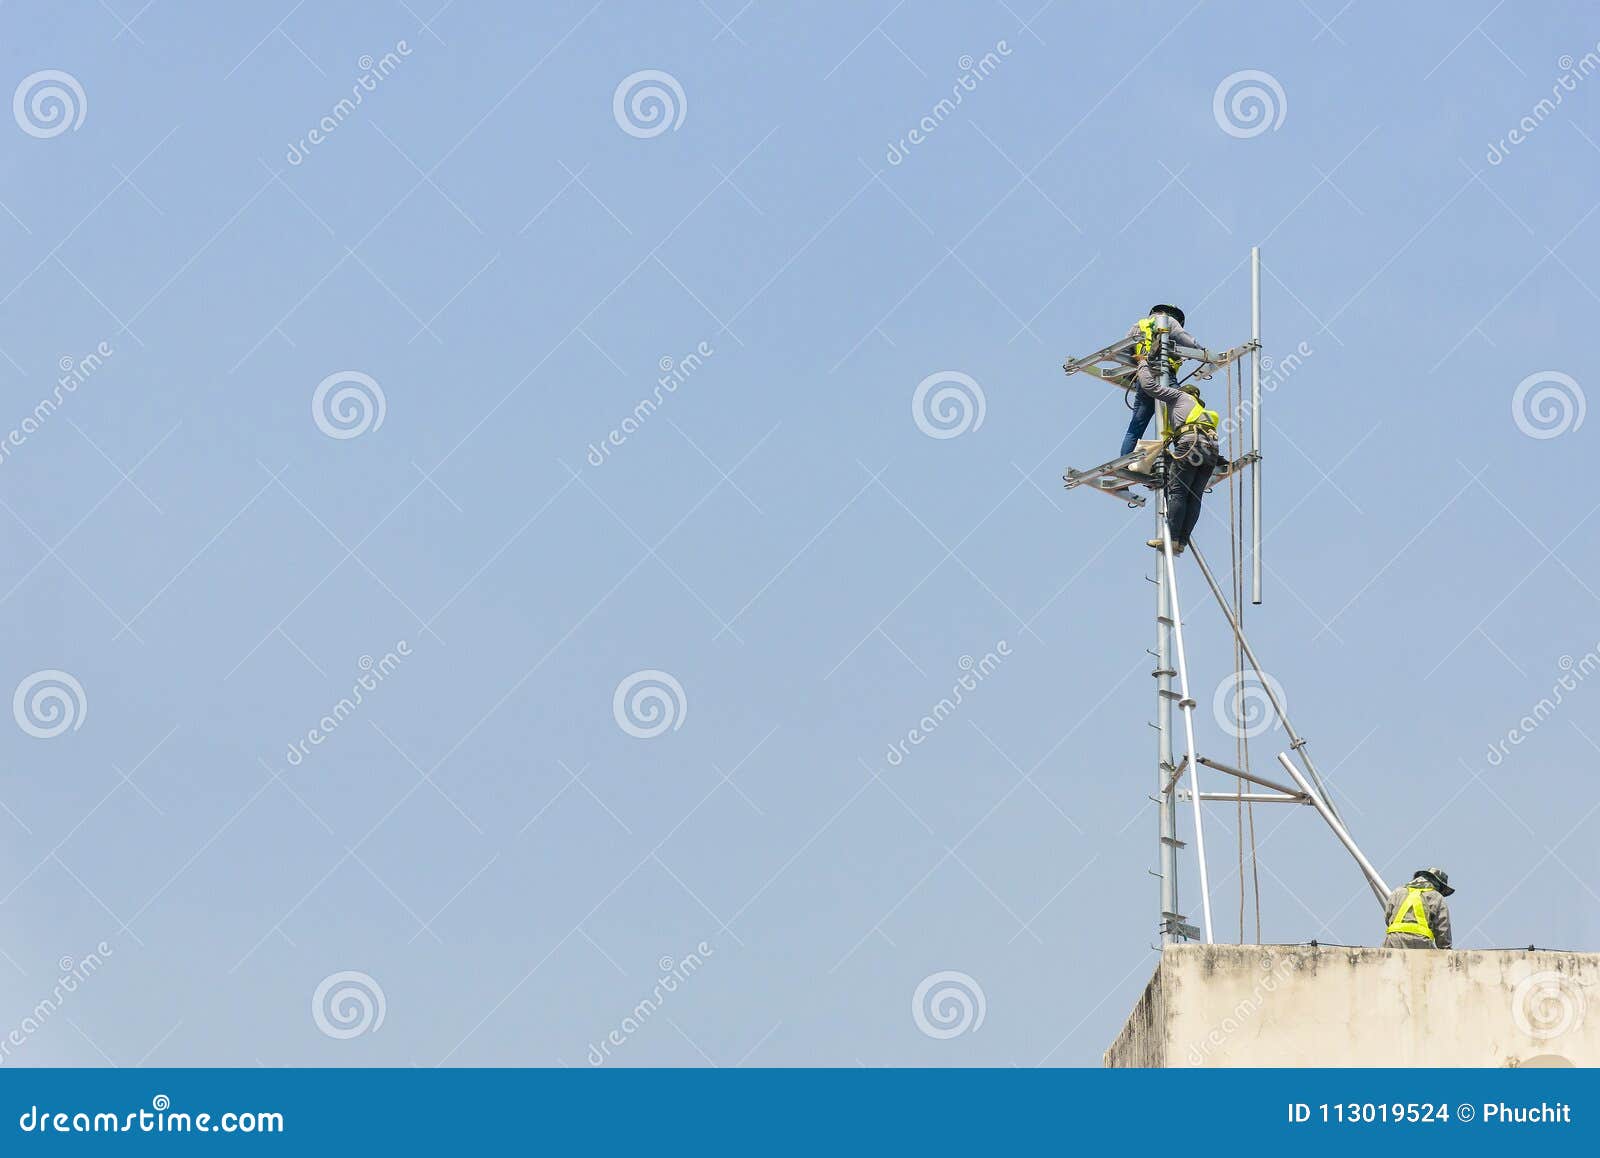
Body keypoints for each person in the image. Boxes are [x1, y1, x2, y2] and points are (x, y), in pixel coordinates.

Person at [1118, 304, 1207, 457]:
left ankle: (1124, 460)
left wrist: (1138, 373)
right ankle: (1186, 451)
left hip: (1144, 379)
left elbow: (1124, 355)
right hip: (1165, 376)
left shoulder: (1138, 326)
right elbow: (1188, 341)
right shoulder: (1169, 322)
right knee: (1185, 410)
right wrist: (1205, 354)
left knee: (1137, 425)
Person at [1383, 867, 1454, 949]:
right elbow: (1442, 930)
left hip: (1393, 942)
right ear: (1439, 886)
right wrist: (1446, 951)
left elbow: (1388, 917)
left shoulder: (1398, 892)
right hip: (1421, 944)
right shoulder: (1437, 897)